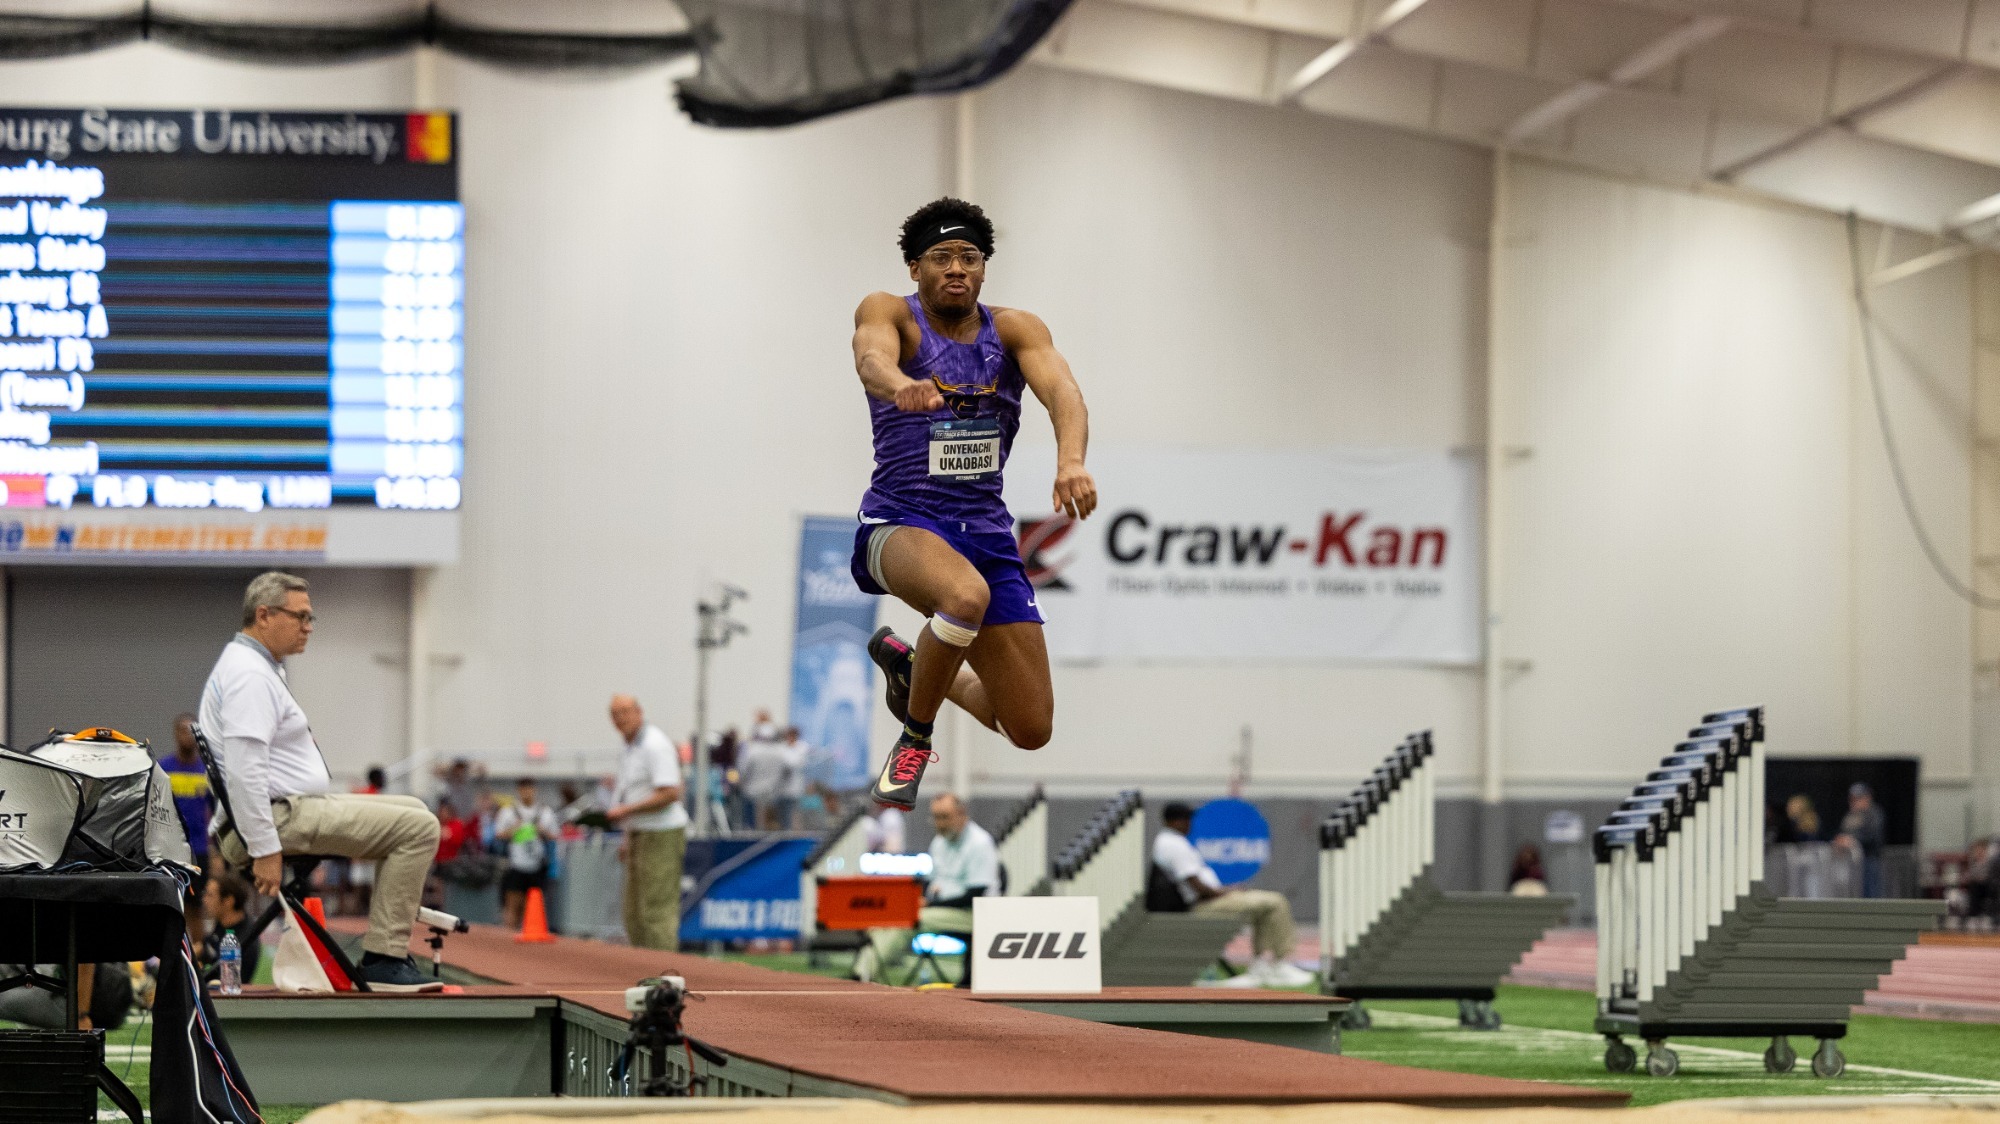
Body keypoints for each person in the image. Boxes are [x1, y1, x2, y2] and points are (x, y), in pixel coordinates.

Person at [849, 198, 1097, 809]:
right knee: (964, 597)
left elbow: (1064, 391)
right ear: (915, 267)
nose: (957, 268)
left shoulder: (1015, 330)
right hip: (898, 523)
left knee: (1029, 728)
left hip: (984, 532)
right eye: (941, 258)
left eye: (969, 257)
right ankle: (914, 736)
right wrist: (901, 384)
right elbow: (870, 357)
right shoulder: (890, 313)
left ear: (984, 269)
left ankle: (920, 670)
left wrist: (1071, 460)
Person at [201, 570, 442, 992]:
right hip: (276, 818)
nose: (309, 627)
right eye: (301, 617)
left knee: (415, 811)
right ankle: (384, 958)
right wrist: (265, 848)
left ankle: (388, 945)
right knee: (420, 828)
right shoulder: (249, 676)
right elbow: (244, 771)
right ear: (264, 615)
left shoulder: (254, 666)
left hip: (286, 810)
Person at [1152, 801, 1312, 988]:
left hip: (1205, 901)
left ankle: (1262, 964)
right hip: (1202, 906)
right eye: (1187, 820)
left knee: (1265, 907)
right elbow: (1198, 887)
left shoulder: (1170, 842)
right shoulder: (1173, 844)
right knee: (1275, 902)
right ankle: (1278, 963)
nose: (1190, 824)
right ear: (1176, 822)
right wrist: (1228, 892)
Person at [852, 793, 997, 984]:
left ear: (962, 814)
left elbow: (976, 894)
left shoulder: (980, 843)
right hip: (941, 910)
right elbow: (929, 882)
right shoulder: (939, 843)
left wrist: (929, 903)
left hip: (975, 914)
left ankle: (862, 976)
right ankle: (866, 975)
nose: (939, 823)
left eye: (944, 817)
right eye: (935, 817)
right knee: (889, 916)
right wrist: (917, 901)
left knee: (908, 919)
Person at [608, 694, 687, 950]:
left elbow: (670, 792)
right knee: (634, 913)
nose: (621, 718)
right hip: (639, 832)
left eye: (625, 711)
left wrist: (627, 810)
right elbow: (630, 792)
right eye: (615, 713)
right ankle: (644, 970)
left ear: (639, 712)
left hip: (661, 833)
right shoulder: (630, 748)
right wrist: (627, 835)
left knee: (656, 912)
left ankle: (665, 978)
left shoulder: (655, 744)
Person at [159, 712, 213, 943]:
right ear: (174, 734)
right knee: (167, 906)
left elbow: (216, 814)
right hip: (169, 849)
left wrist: (217, 853)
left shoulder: (206, 771)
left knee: (195, 908)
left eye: (191, 730)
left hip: (198, 851)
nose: (186, 735)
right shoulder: (163, 769)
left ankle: (199, 958)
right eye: (182, 730)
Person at [494, 777, 561, 928]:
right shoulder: (509, 812)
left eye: (529, 788)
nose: (526, 792)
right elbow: (498, 834)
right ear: (519, 791)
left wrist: (542, 831)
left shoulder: (544, 812)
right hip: (516, 864)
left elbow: (554, 835)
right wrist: (514, 829)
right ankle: (509, 933)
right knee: (513, 903)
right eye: (523, 789)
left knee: (532, 907)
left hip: (536, 865)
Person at [199, 870, 262, 987]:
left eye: (210, 895)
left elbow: (227, 981)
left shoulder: (244, 938)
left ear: (228, 901)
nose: (204, 900)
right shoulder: (223, 924)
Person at [1835, 782, 1888, 898]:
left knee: (1870, 893)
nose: (1855, 802)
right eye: (1852, 799)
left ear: (1867, 797)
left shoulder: (1874, 813)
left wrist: (1853, 840)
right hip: (1851, 862)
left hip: (1869, 860)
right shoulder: (1850, 815)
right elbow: (1843, 832)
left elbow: (1872, 836)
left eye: (1858, 798)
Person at [736, 730, 793, 831]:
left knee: (751, 824)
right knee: (774, 824)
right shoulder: (780, 753)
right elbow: (788, 771)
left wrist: (742, 783)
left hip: (752, 792)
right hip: (773, 793)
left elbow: (743, 770)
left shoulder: (752, 751)